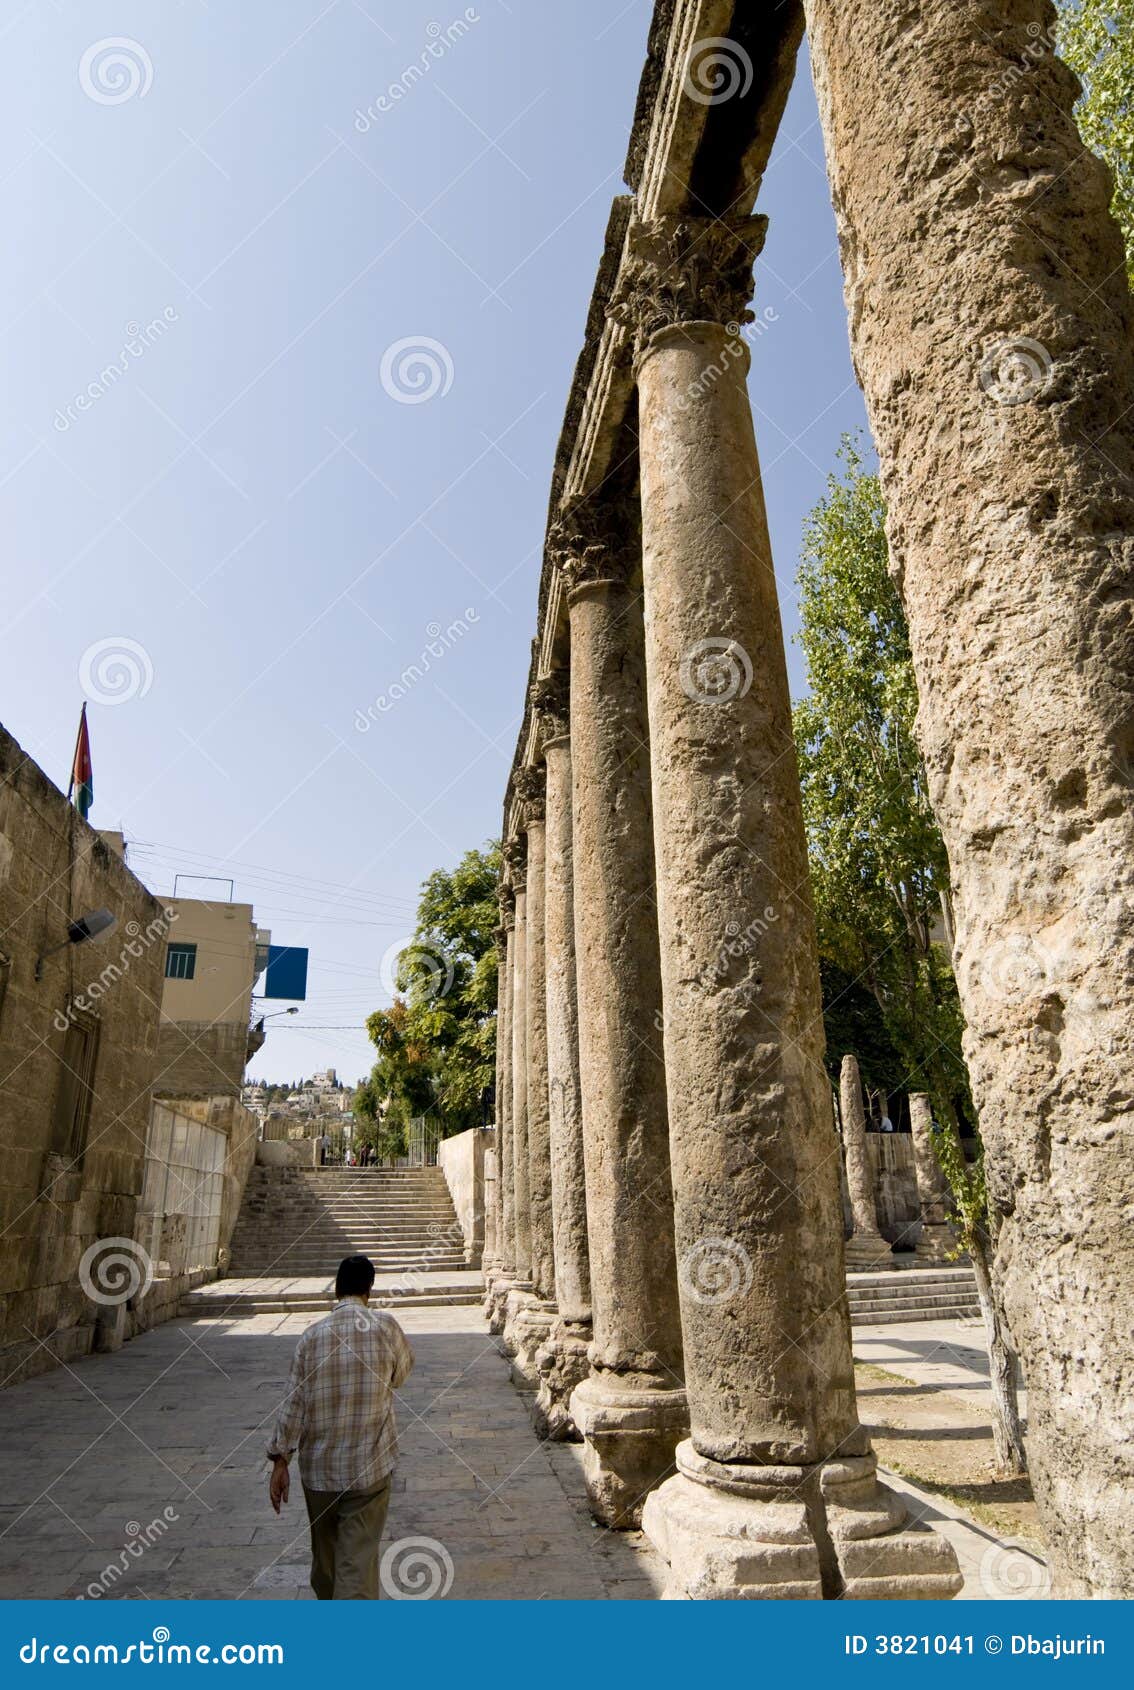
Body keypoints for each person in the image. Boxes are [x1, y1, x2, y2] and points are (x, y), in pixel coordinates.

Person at [267, 1255, 415, 1600]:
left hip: (319, 1472)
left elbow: (294, 1404)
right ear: (369, 1289)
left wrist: (280, 1460)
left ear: (336, 1288)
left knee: (327, 1562)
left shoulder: (311, 1337)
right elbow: (401, 1374)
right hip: (370, 1467)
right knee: (356, 1563)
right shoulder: (386, 1327)